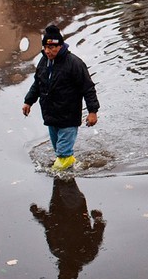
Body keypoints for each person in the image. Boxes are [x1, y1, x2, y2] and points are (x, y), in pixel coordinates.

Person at [23, 24, 99, 171]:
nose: (48, 51)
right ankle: (70, 166)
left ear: (60, 45)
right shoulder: (43, 61)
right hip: (51, 116)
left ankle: (61, 178)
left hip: (69, 117)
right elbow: (37, 83)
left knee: (62, 156)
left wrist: (92, 111)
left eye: (51, 48)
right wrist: (28, 101)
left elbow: (88, 88)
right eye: (45, 47)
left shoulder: (74, 63)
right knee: (60, 151)